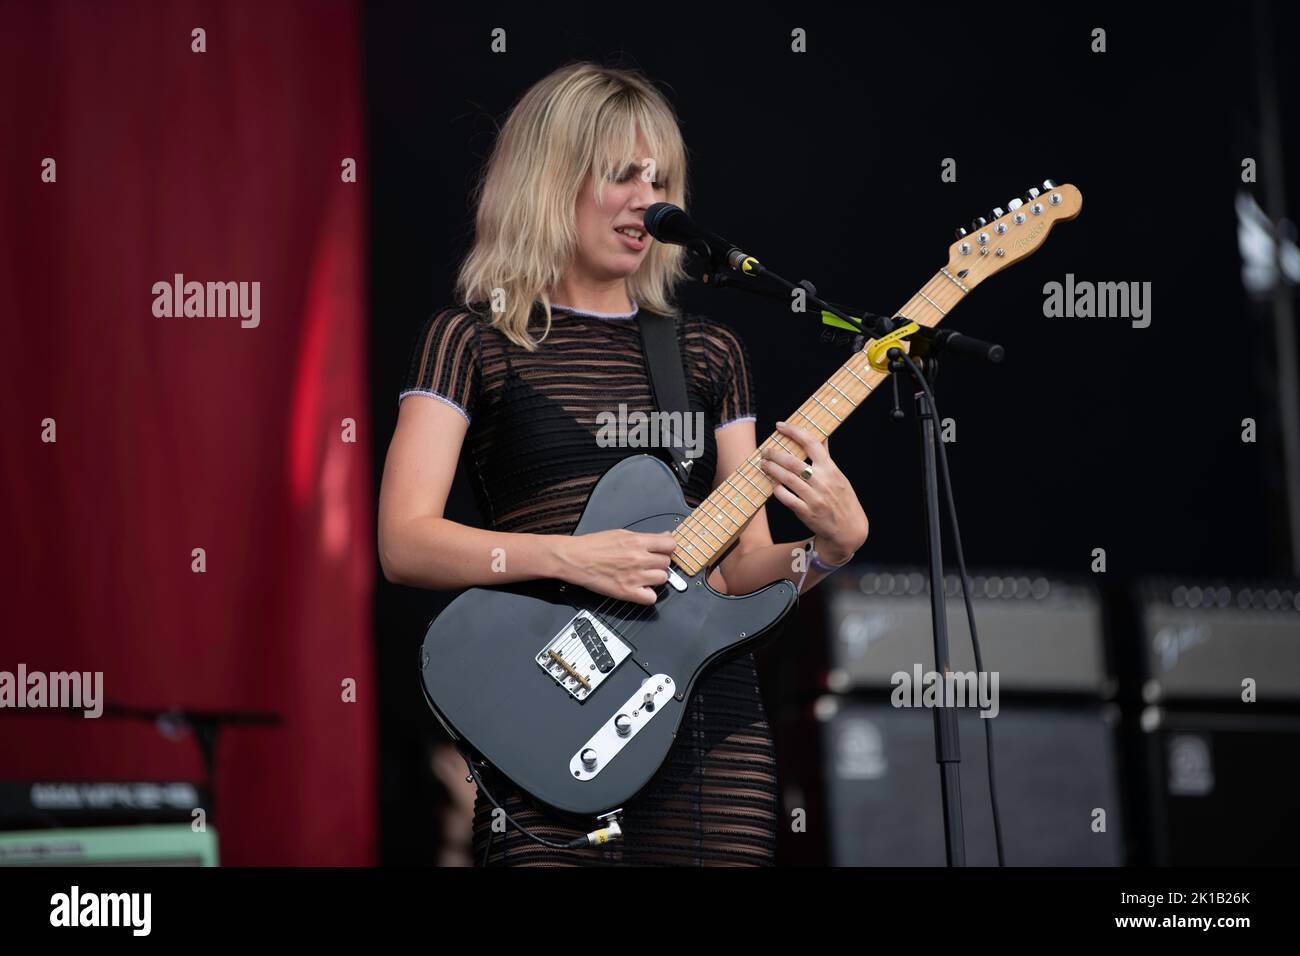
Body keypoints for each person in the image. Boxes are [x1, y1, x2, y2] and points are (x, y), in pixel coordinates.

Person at [378, 61, 869, 865]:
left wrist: (827, 550)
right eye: (621, 175)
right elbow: (405, 543)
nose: (650, 199)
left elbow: (742, 572)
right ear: (549, 179)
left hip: (708, 728)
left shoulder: (709, 353)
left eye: (661, 176)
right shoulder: (468, 340)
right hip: (542, 714)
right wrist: (571, 556)